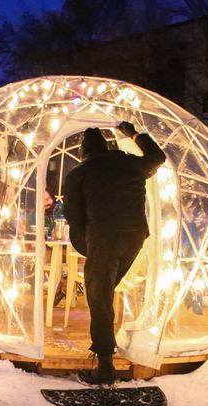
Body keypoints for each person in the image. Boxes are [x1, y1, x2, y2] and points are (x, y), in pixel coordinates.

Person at [63, 121, 166, 385]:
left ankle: (106, 365)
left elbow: (74, 217)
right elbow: (158, 157)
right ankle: (113, 346)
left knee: (99, 297)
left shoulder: (80, 174)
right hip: (134, 236)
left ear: (85, 152)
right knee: (105, 292)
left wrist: (87, 244)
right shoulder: (130, 164)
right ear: (107, 147)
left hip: (104, 238)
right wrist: (133, 134)